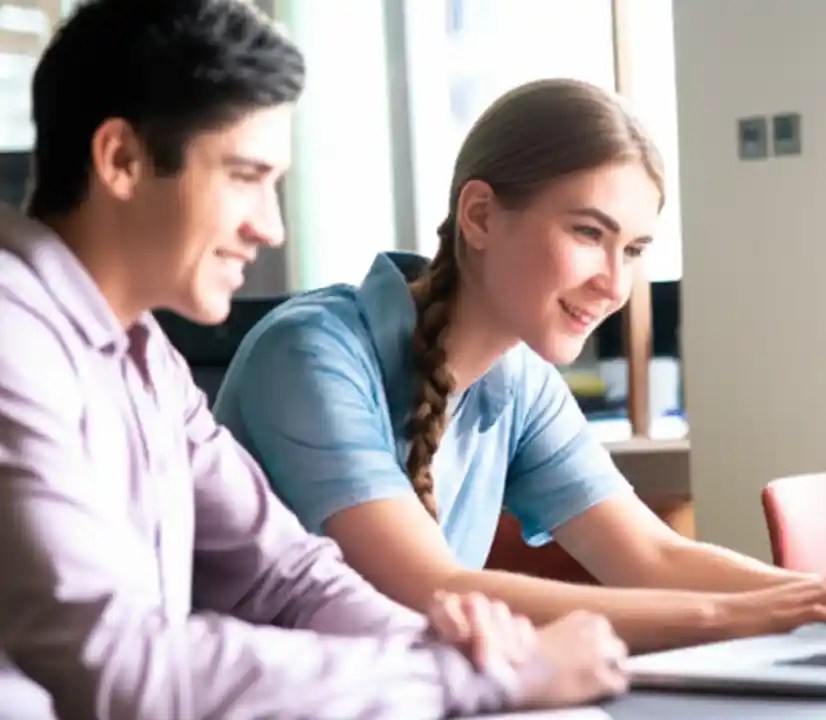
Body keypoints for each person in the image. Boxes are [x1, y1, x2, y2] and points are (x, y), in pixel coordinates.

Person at [0, 1, 629, 717]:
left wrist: (459, 650)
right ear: (121, 160)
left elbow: (287, 577)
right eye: (245, 176)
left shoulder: (145, 361)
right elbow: (116, 664)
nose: (269, 227)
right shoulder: (13, 340)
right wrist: (480, 678)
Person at [213, 77, 826, 652]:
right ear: (479, 215)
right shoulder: (311, 355)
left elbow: (653, 556)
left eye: (635, 249)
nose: (615, 285)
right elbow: (428, 590)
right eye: (589, 233)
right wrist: (748, 614)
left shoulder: (521, 382)